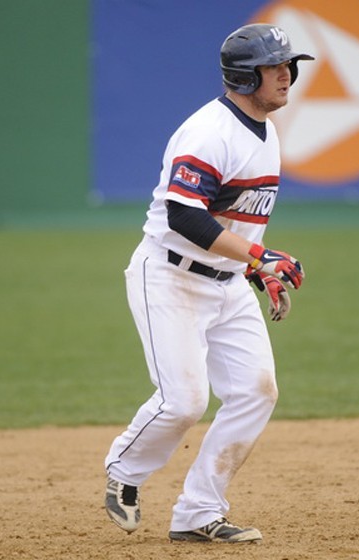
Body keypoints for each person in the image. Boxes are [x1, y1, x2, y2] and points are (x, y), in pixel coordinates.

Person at [103, 23, 314, 544]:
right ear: (245, 76)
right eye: (275, 67)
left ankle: (199, 512)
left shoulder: (265, 131)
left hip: (227, 282)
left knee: (255, 391)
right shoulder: (209, 132)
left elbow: (236, 220)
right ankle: (124, 473)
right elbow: (185, 217)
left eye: (289, 65)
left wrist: (251, 269)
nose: (287, 75)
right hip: (170, 277)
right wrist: (261, 257)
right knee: (184, 401)